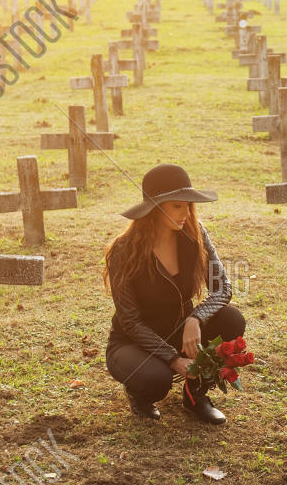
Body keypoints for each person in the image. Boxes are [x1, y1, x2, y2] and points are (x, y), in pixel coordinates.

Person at [104, 164, 246, 424]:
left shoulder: (195, 233)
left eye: (188, 205)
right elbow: (130, 321)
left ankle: (196, 396)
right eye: (177, 206)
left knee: (232, 319)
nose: (186, 213)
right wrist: (172, 359)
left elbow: (223, 287)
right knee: (157, 379)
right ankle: (140, 394)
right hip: (133, 342)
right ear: (155, 208)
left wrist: (195, 318)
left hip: (180, 328)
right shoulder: (124, 249)